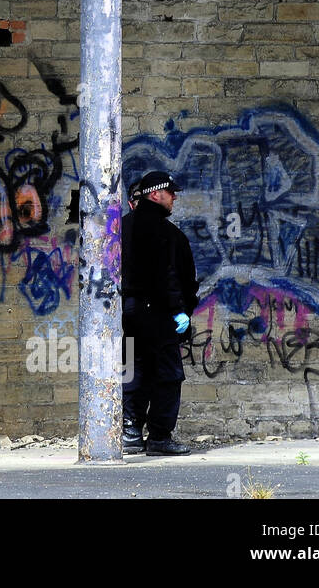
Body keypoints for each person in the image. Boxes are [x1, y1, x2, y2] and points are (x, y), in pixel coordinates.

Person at [120, 170, 198, 456]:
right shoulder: (165, 232)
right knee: (167, 374)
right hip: (158, 314)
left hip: (128, 313)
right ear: (156, 194)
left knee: (133, 370)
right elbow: (169, 277)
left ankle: (130, 432)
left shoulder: (118, 229)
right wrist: (180, 311)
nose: (174, 197)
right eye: (170, 192)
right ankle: (159, 437)